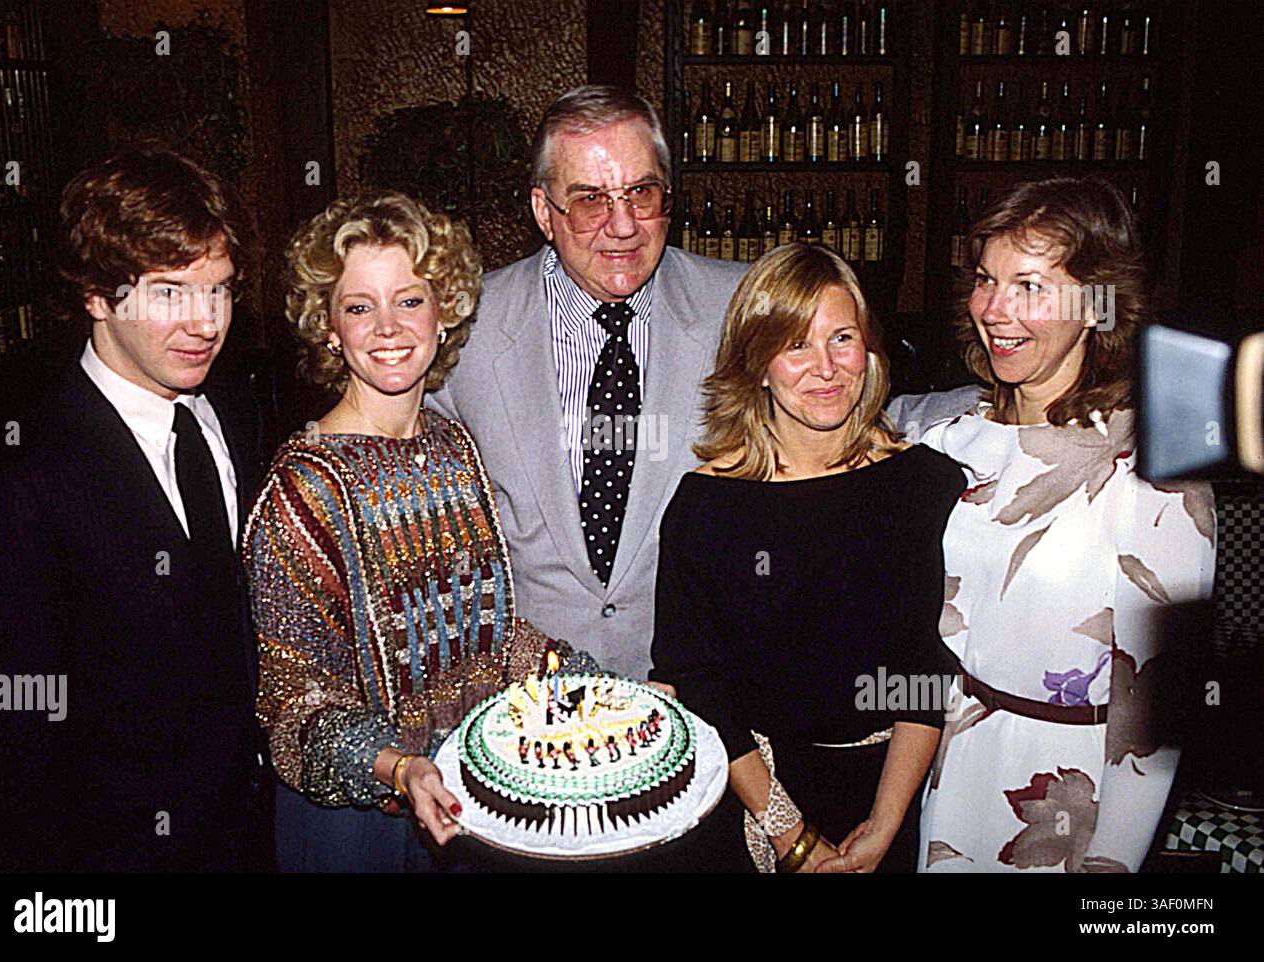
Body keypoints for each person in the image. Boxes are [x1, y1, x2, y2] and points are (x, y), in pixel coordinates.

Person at [245, 192, 594, 873]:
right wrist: (399, 767)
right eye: (358, 306)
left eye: (409, 300)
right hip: (356, 825)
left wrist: (596, 685)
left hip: (464, 793)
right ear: (327, 328)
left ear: (445, 311)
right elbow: (292, 707)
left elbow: (484, 639)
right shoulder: (305, 485)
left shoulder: (454, 449)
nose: (387, 327)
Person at [0, 146, 269, 871]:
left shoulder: (235, 405)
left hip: (253, 833)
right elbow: (12, 727)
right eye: (169, 292)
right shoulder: (18, 472)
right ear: (97, 296)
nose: (206, 323)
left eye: (220, 290)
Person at [916, 177, 1215, 873]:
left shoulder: (1155, 474)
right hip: (950, 767)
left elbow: (1154, 731)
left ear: (1098, 304)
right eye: (987, 280)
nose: (996, 309)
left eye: (1031, 286)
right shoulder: (949, 443)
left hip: (1068, 797)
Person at [650, 244, 968, 873]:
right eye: (795, 344)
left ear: (869, 350)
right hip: (753, 801)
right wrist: (790, 835)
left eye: (841, 338)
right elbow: (697, 685)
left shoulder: (925, 484)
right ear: (757, 364)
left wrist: (884, 825)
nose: (825, 368)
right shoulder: (708, 504)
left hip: (892, 796)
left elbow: (927, 670)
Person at [426, 85, 746, 680]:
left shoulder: (743, 308)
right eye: (591, 199)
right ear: (544, 212)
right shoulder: (464, 325)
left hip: (701, 690)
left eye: (641, 194)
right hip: (524, 700)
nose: (622, 226)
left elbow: (848, 404)